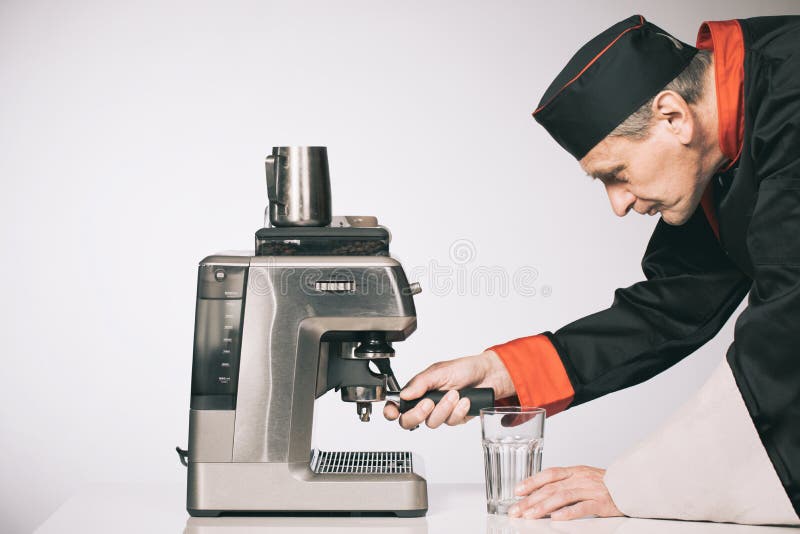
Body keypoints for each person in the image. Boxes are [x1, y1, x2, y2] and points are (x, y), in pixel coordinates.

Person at [384, 14, 800, 525]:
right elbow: (676, 301)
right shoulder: (719, 139)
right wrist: (500, 371)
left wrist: (638, 485)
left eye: (617, 174)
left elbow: (789, 335)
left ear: (673, 117)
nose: (618, 205)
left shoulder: (792, 101)